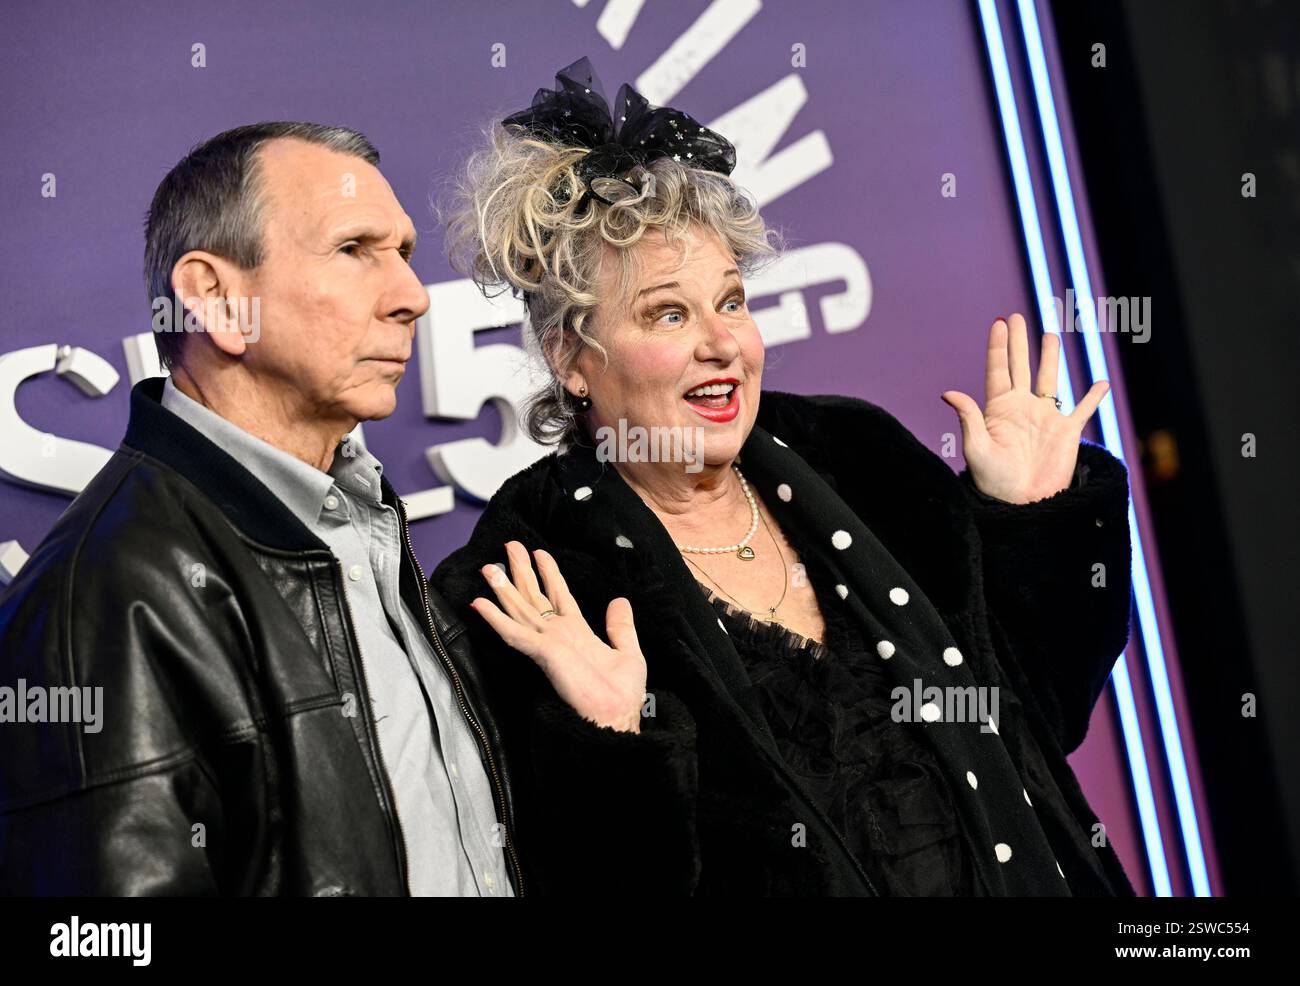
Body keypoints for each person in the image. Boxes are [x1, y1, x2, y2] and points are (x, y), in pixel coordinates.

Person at [433, 58, 1136, 896]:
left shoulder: (857, 457)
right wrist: (614, 742)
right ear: (570, 356)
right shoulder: (535, 573)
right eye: (668, 312)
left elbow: (1039, 711)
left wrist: (1029, 520)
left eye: (731, 300)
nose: (723, 342)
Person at [0, 122, 546, 895]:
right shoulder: (102, 597)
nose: (413, 297)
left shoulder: (363, 525)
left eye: (405, 254)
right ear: (216, 299)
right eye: (355, 250)